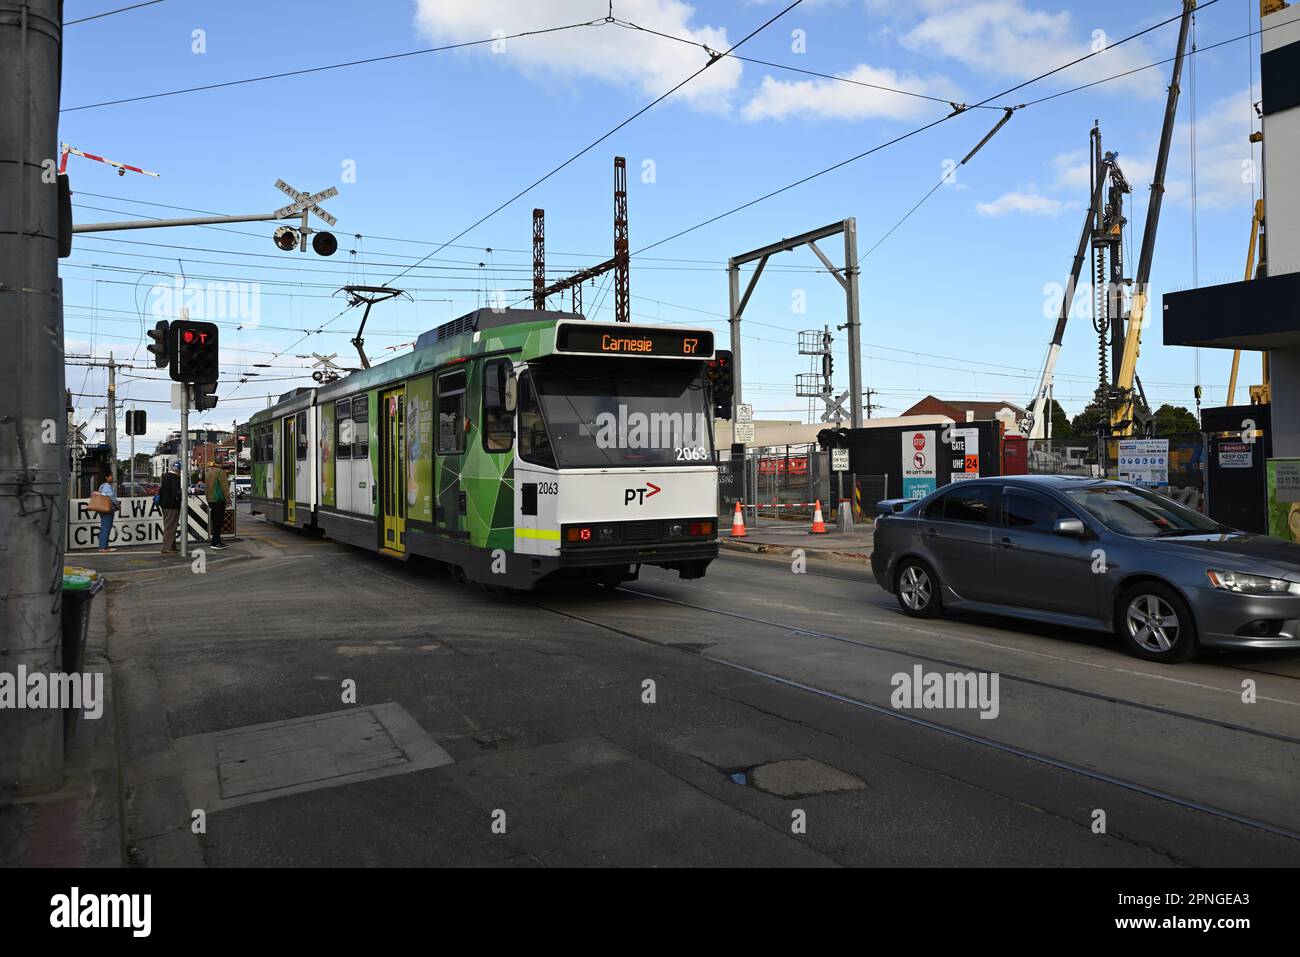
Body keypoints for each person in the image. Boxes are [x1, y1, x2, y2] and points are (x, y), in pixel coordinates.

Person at [204, 462, 231, 549]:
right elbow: (225, 487)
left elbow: (206, 488)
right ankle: (215, 542)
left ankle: (217, 541)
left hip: (210, 500)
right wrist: (228, 500)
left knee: (215, 521)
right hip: (218, 500)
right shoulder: (220, 472)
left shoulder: (208, 473)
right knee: (219, 522)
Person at [159, 461, 182, 554]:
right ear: (179, 470)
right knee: (171, 527)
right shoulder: (175, 478)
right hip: (172, 506)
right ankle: (166, 547)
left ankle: (172, 546)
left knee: (168, 525)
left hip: (164, 504)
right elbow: (176, 493)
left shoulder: (165, 476)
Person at [96, 471, 119, 553]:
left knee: (103, 528)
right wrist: (117, 503)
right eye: (110, 476)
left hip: (101, 509)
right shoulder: (107, 486)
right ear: (107, 477)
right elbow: (111, 497)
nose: (112, 478)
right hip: (107, 509)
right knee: (106, 528)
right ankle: (104, 548)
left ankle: (101, 547)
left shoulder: (101, 486)